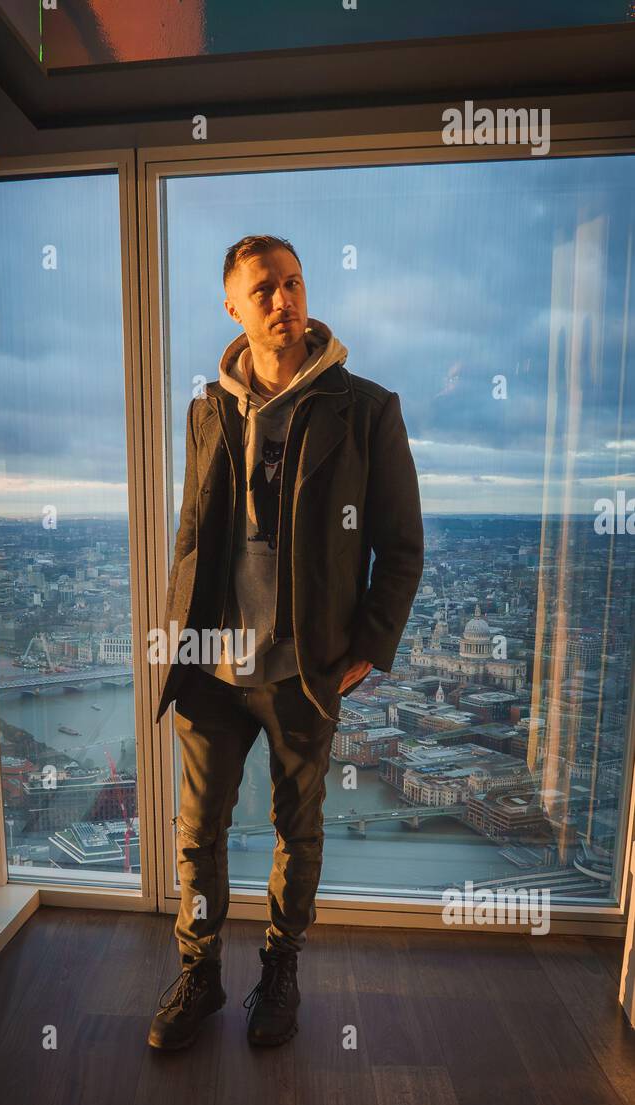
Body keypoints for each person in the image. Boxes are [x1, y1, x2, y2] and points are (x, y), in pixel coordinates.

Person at [148, 234, 424, 1050]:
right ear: (232, 306)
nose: (284, 299)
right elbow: (192, 534)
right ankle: (198, 975)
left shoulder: (367, 409)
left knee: (296, 831)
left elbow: (400, 543)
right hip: (209, 667)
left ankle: (280, 969)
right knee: (196, 835)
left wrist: (371, 643)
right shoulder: (207, 408)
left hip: (307, 668)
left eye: (294, 283)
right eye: (264, 289)